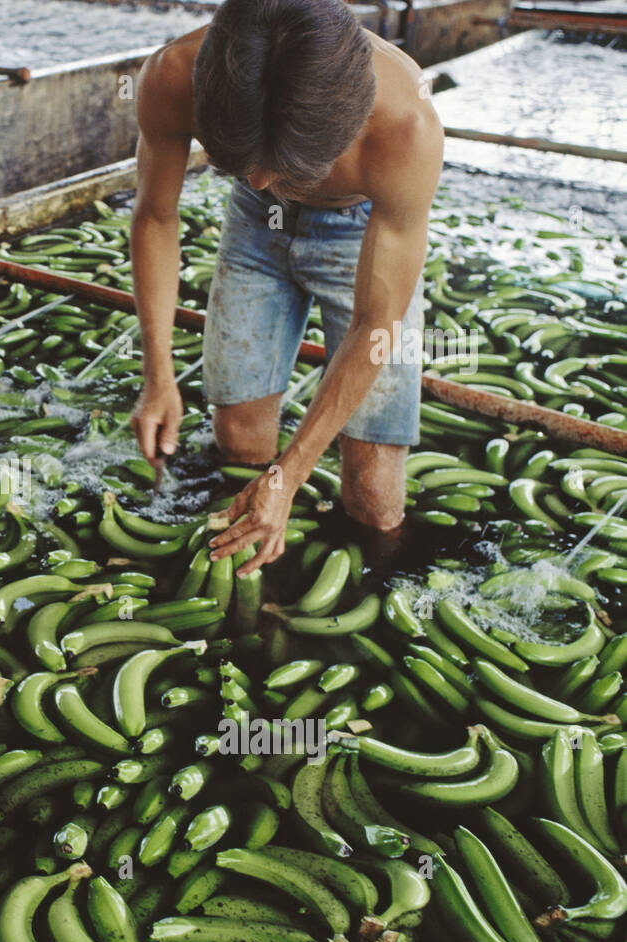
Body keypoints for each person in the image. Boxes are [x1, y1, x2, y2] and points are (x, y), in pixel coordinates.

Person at [128, 0, 444, 575]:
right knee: (239, 439)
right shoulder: (173, 73)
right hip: (257, 225)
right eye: (240, 161)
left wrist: (291, 473)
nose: (260, 179)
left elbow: (377, 327)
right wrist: (158, 376)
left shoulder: (406, 123)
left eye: (286, 165)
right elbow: (155, 218)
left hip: (359, 226)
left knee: (374, 494)